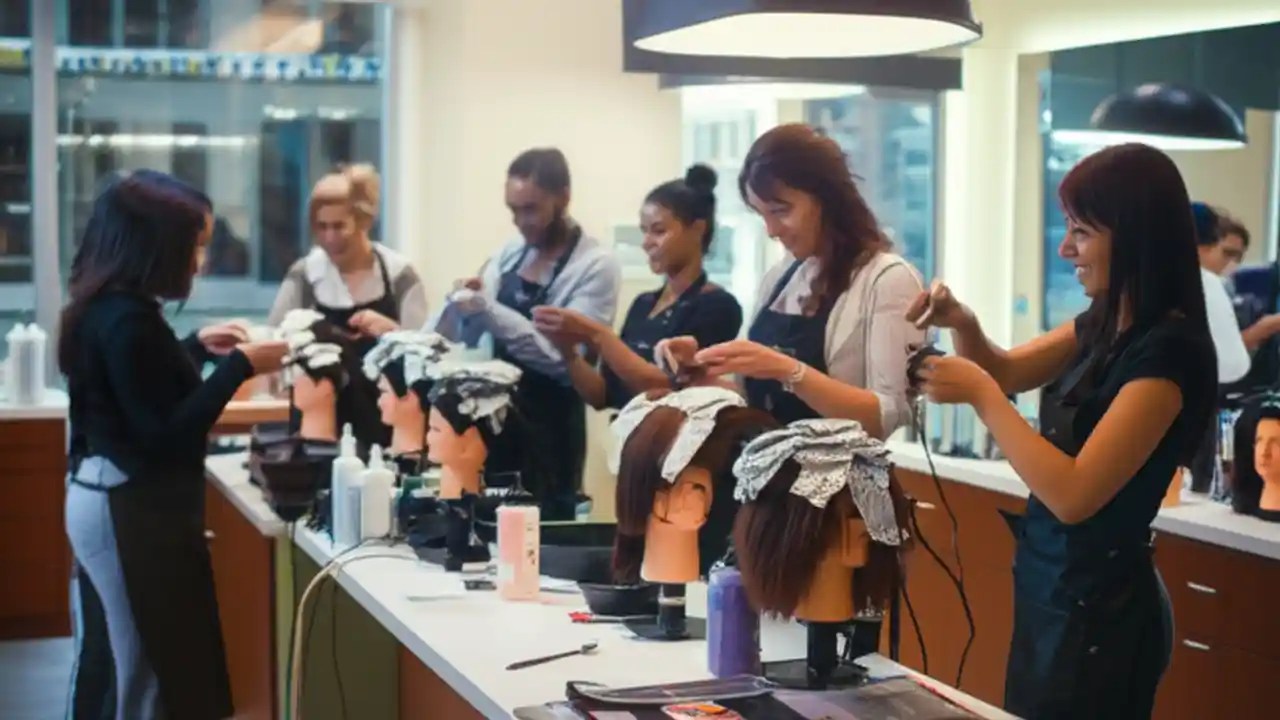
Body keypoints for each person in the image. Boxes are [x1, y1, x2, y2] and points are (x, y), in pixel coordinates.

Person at [910, 143, 1215, 718]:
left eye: (1081, 231)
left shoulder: (1169, 353)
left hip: (1104, 614)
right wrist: (964, 325)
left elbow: (1075, 494)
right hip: (1055, 591)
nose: (1065, 247)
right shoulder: (1103, 320)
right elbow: (1005, 372)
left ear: (1133, 235)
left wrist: (977, 392)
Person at [60, 170, 287, 719]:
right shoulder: (128, 321)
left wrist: (191, 348)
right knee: (144, 665)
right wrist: (238, 367)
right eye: (196, 245)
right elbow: (167, 435)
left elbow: (137, 397)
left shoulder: (106, 307)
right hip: (124, 506)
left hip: (103, 493)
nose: (200, 260)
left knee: (115, 659)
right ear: (158, 244)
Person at [353, 148, 621, 520]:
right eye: (513, 210)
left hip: (552, 425)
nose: (521, 222)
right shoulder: (513, 252)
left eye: (531, 209)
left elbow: (563, 361)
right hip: (498, 420)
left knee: (539, 529)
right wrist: (457, 308)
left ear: (563, 196)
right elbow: (467, 334)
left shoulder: (595, 266)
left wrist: (490, 310)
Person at [658, 123, 925, 439]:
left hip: (844, 483)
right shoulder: (780, 278)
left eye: (780, 211)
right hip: (762, 479)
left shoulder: (887, 280)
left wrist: (787, 370)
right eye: (762, 215)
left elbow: (886, 416)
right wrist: (700, 375)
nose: (772, 230)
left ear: (827, 198)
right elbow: (758, 401)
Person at [531, 164, 743, 411]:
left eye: (659, 231)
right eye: (644, 232)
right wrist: (567, 351)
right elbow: (602, 396)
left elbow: (667, 388)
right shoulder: (644, 303)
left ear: (697, 229)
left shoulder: (718, 306)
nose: (646, 243)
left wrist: (598, 335)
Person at [268, 164, 427, 449]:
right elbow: (273, 346)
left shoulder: (399, 276)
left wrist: (390, 332)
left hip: (383, 426)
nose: (330, 238)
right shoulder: (304, 276)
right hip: (318, 429)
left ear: (364, 221)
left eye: (339, 226)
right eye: (322, 227)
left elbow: (425, 358)